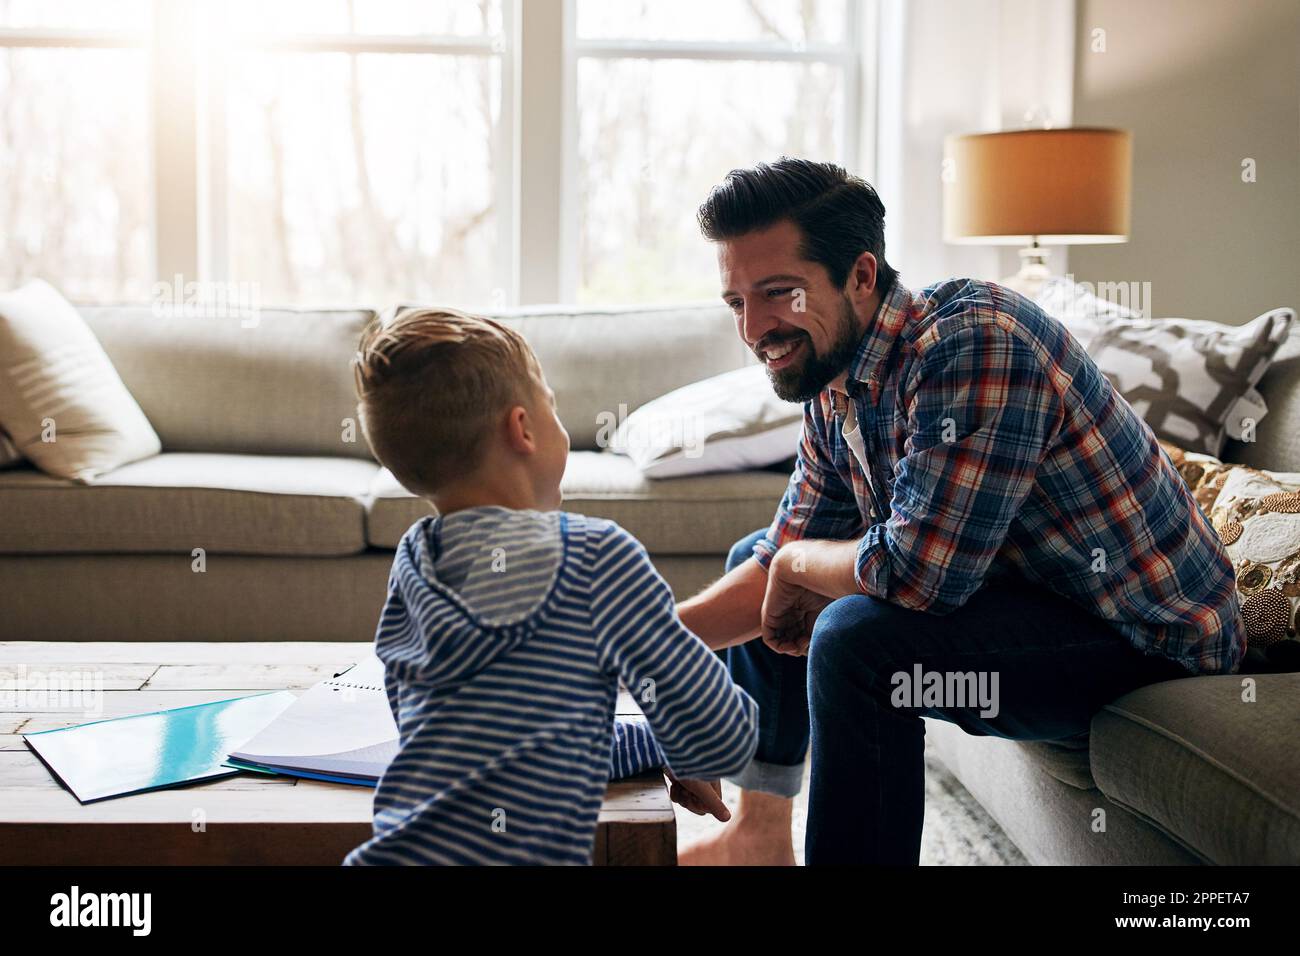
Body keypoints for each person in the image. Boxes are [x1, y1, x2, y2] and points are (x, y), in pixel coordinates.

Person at [673, 158, 1245, 865]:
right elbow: (786, 548)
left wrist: (794, 563)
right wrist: (651, 650)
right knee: (759, 564)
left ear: (860, 275)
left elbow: (917, 577)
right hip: (1024, 595)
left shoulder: (973, 343)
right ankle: (757, 837)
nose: (755, 327)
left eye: (778, 293)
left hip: (1139, 634)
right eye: (736, 302)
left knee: (856, 640)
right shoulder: (831, 374)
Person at [343, 307, 758, 865]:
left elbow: (502, 747)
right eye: (554, 406)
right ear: (523, 429)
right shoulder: (597, 556)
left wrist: (655, 745)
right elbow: (722, 735)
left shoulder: (416, 560)